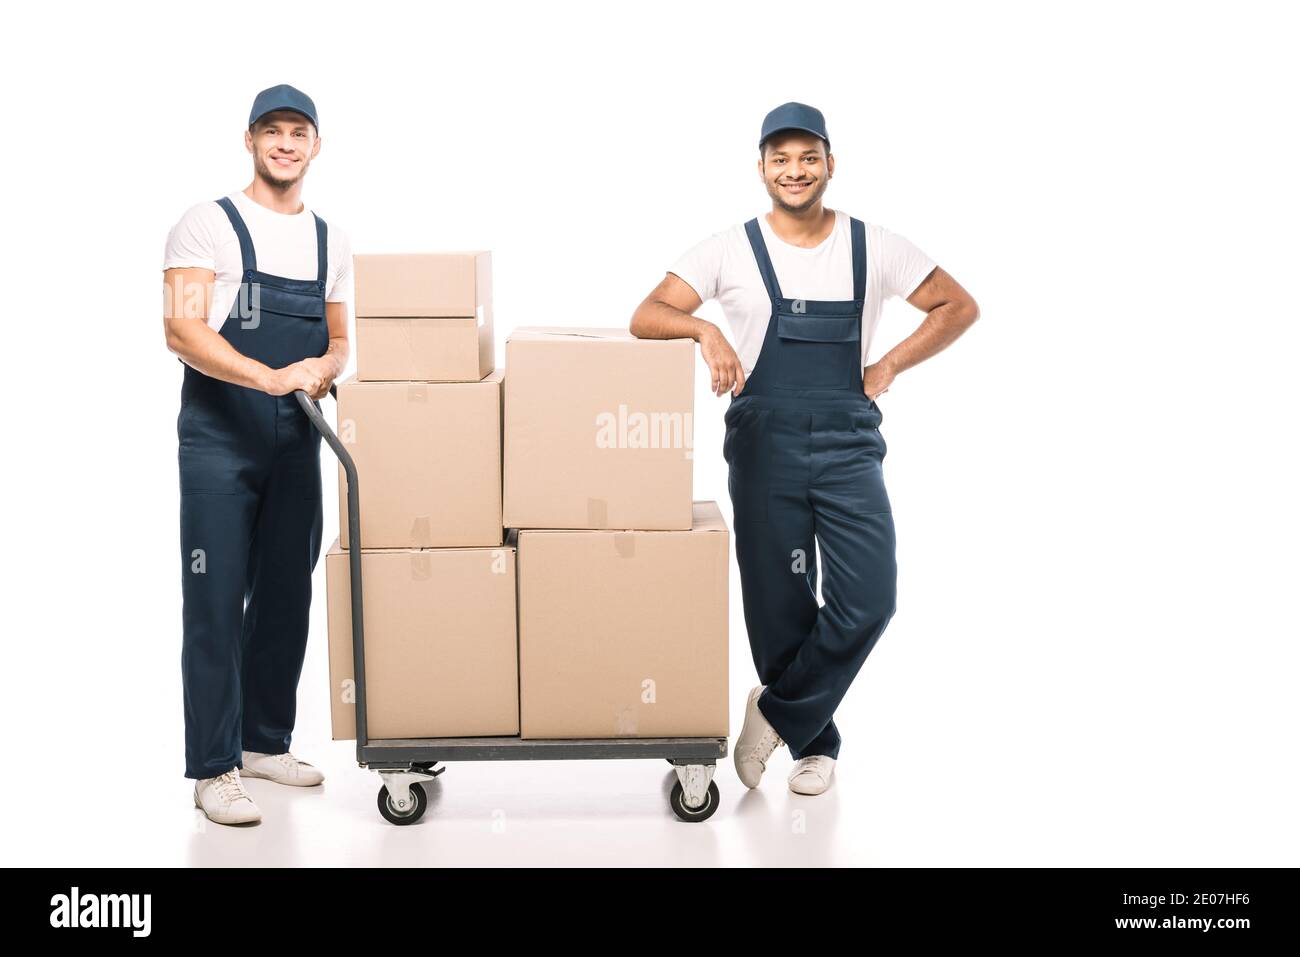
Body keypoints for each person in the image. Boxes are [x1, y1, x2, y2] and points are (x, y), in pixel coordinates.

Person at [631, 102, 979, 796]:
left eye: (808, 157)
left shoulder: (872, 244)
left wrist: (885, 368)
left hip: (849, 443)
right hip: (765, 444)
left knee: (869, 598)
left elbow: (957, 305)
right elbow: (646, 315)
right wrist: (707, 333)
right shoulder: (728, 249)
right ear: (760, 167)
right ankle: (816, 745)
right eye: (781, 158)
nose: (795, 171)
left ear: (829, 163)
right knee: (778, 600)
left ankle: (778, 713)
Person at [162, 84, 352, 824]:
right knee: (214, 596)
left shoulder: (329, 240)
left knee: (286, 592)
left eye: (298, 132)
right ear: (249, 140)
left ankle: (263, 740)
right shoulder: (207, 223)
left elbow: (339, 340)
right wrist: (270, 376)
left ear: (315, 146)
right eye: (271, 131)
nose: (285, 143)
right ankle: (214, 767)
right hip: (219, 436)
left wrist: (324, 368)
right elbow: (181, 329)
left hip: (297, 436)